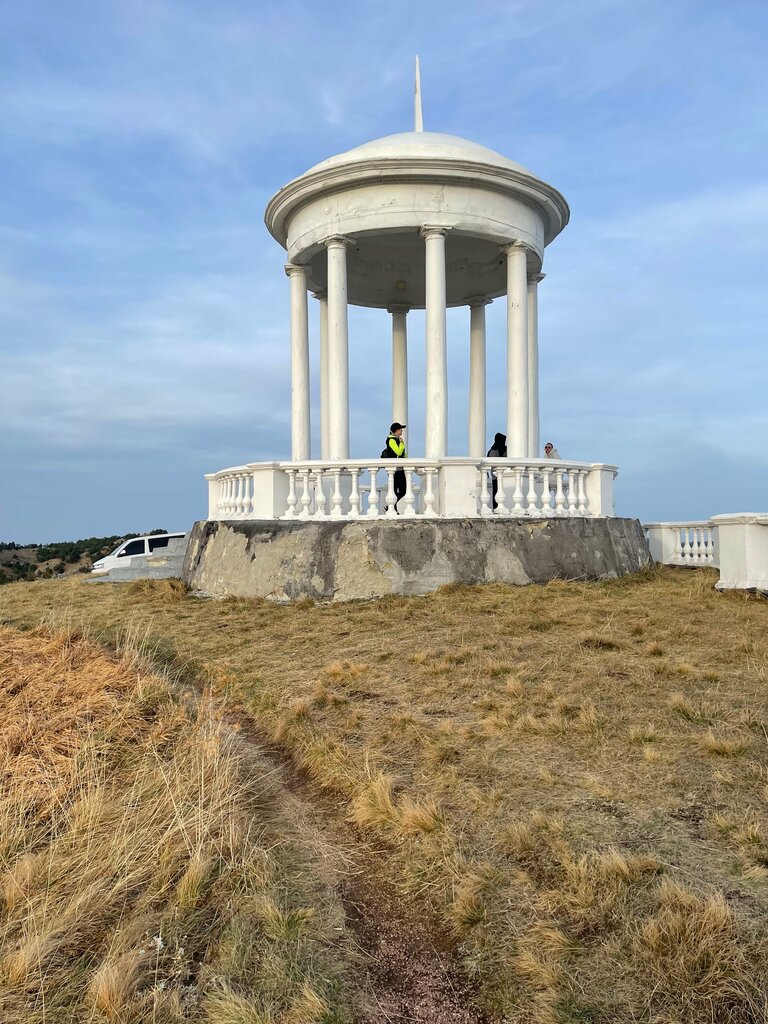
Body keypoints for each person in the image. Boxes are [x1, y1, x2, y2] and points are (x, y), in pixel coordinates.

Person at [382, 422, 407, 512]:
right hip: (395, 469)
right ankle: (391, 508)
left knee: (403, 490)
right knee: (397, 490)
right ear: (396, 430)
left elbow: (403, 455)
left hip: (400, 468)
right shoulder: (391, 440)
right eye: (400, 429)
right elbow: (398, 452)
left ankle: (391, 507)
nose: (402, 430)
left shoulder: (397, 439)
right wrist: (401, 444)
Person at [486, 432, 507, 509]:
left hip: (493, 477)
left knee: (495, 493)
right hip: (502, 476)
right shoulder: (503, 450)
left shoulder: (490, 451)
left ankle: (495, 508)